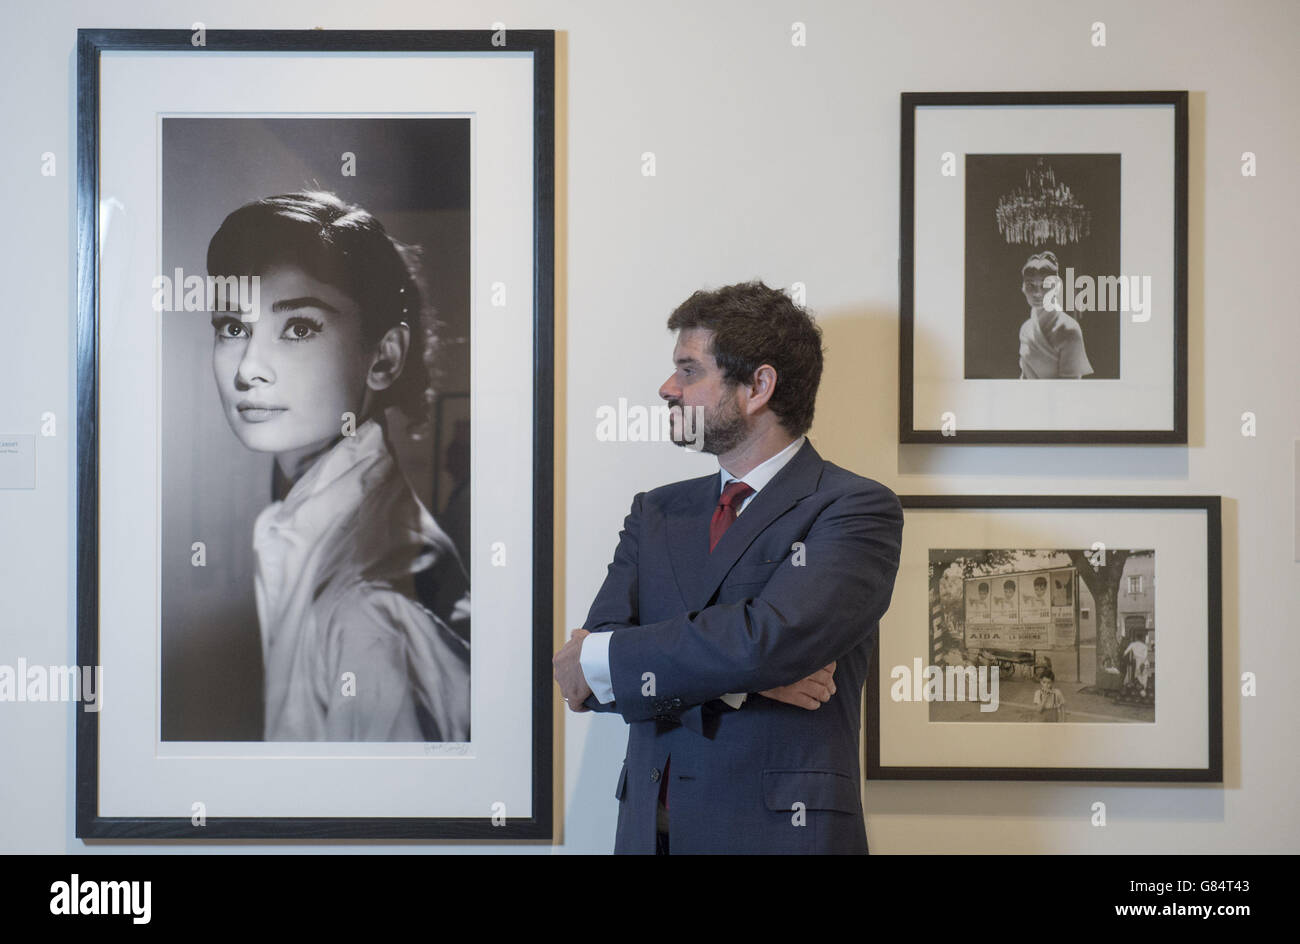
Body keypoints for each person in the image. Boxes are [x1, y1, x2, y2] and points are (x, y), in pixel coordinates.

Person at [552, 281, 903, 854]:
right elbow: (594, 684)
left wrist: (611, 657)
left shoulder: (854, 507)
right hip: (648, 837)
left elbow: (769, 641)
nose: (667, 388)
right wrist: (746, 684)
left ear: (758, 386)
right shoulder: (656, 509)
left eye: (689, 370)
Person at [206, 190, 470, 742]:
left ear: (384, 358)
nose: (249, 368)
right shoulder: (302, 520)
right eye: (233, 327)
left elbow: (396, 819)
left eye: (298, 328)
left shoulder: (370, 607)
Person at [1017, 251, 1093, 379]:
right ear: (1023, 288)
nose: (1037, 293)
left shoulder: (1069, 330)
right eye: (1031, 285)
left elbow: (1069, 389)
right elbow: (1024, 377)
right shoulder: (1026, 329)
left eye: (1045, 285)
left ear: (1057, 288)